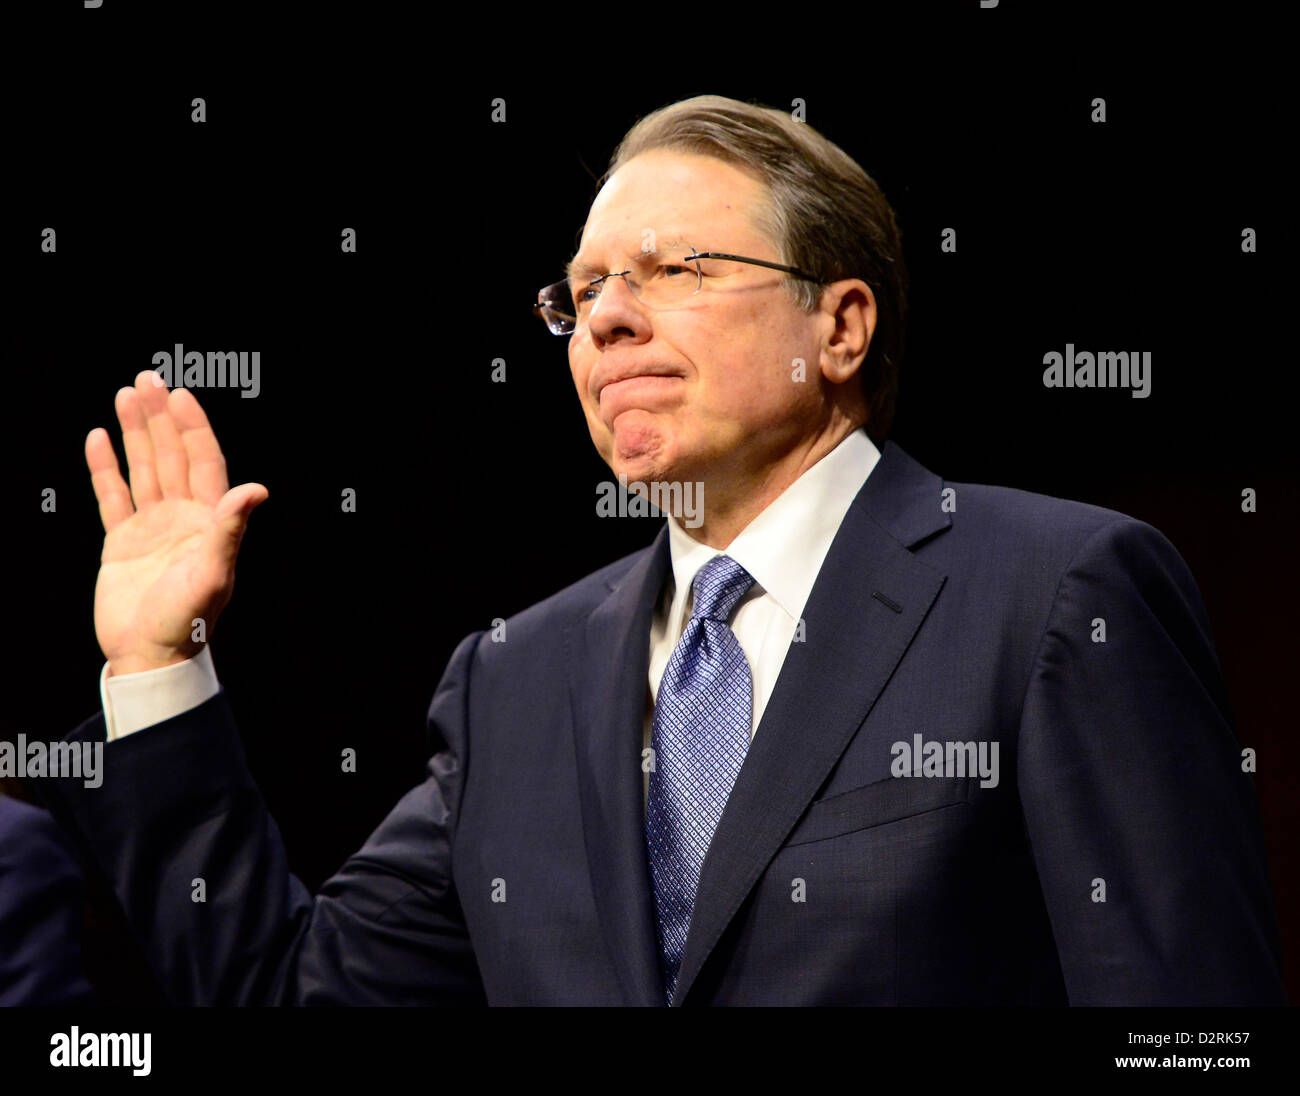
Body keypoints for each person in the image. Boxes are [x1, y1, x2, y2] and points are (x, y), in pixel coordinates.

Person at [41, 95, 1284, 1005]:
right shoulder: (513, 681)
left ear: (839, 325)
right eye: (580, 295)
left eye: (675, 268)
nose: (609, 317)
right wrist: (160, 667)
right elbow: (292, 996)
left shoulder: (1054, 592)